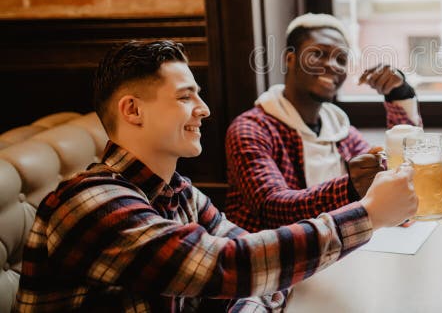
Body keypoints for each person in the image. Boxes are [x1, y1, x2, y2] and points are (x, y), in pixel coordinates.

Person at [14, 40, 417, 312]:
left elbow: (253, 272)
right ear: (133, 111)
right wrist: (368, 214)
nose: (204, 109)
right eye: (185, 96)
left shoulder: (180, 194)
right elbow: (229, 265)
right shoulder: (89, 204)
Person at [225, 13, 422, 231]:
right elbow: (272, 209)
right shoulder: (251, 129)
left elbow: (397, 174)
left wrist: (400, 94)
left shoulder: (340, 130)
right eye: (318, 54)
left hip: (334, 254)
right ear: (289, 59)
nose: (332, 65)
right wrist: (351, 187)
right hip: (268, 260)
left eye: (341, 59)